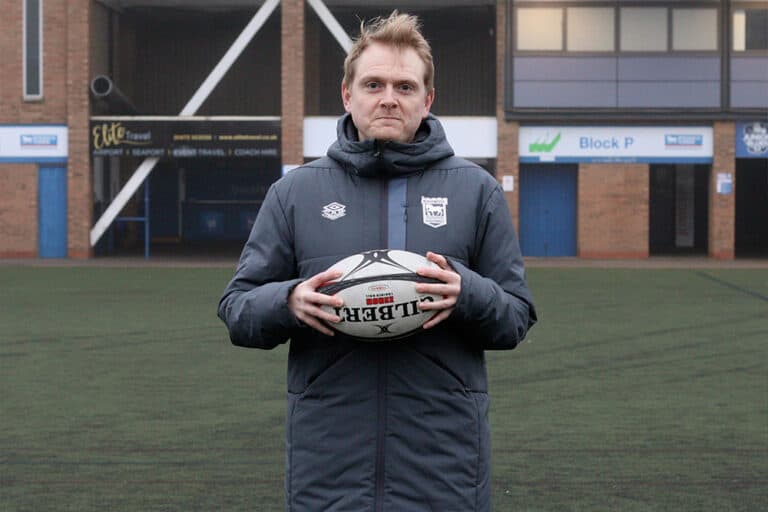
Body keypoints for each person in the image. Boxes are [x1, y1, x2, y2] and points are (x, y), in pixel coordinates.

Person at [218, 11, 536, 512]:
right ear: (348, 95)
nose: (389, 97)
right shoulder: (296, 192)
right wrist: (289, 300)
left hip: (444, 465)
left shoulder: (477, 191)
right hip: (328, 466)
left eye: (405, 86)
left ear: (427, 99)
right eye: (373, 84)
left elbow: (516, 318)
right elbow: (237, 309)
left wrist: (466, 293)